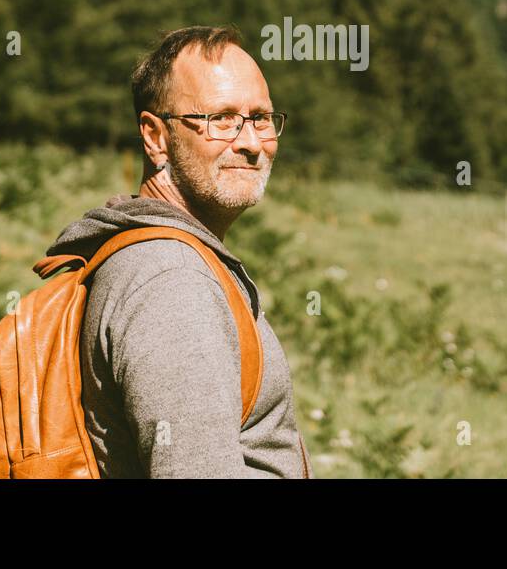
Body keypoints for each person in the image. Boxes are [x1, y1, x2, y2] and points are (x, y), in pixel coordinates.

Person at [45, 25, 312, 477]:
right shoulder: (171, 282)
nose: (250, 143)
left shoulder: (161, 258)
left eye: (261, 118)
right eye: (221, 118)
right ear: (155, 137)